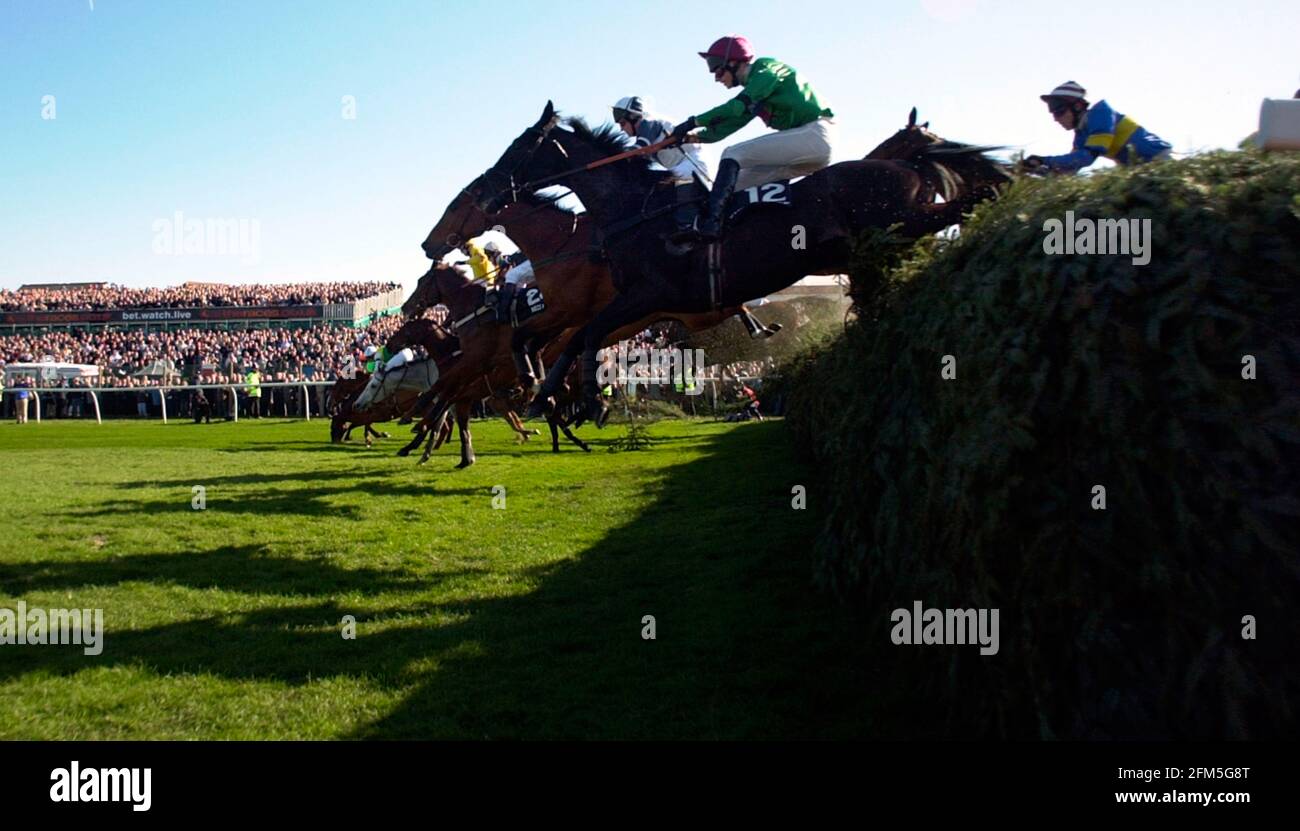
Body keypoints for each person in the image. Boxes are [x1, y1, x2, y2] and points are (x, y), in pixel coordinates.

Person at [669, 35, 836, 245]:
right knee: (737, 185)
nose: (716, 77)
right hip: (803, 153)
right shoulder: (752, 94)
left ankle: (711, 223)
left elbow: (734, 107)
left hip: (815, 135)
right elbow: (729, 124)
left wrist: (693, 121)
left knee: (732, 153)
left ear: (734, 62)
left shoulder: (766, 68)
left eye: (717, 69)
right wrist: (691, 137)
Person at [1023, 82, 1172, 174]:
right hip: (1136, 171)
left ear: (1077, 106)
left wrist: (1044, 160)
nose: (1055, 118)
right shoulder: (1081, 135)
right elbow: (1067, 171)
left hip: (1159, 163)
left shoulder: (1101, 114)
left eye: (1059, 111)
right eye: (1053, 113)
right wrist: (1033, 169)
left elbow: (1085, 158)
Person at [613, 95, 711, 235]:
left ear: (633, 117)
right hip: (682, 165)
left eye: (622, 123)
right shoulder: (646, 127)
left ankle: (687, 225)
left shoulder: (648, 123)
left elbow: (639, 149)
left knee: (678, 176)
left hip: (693, 163)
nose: (622, 129)